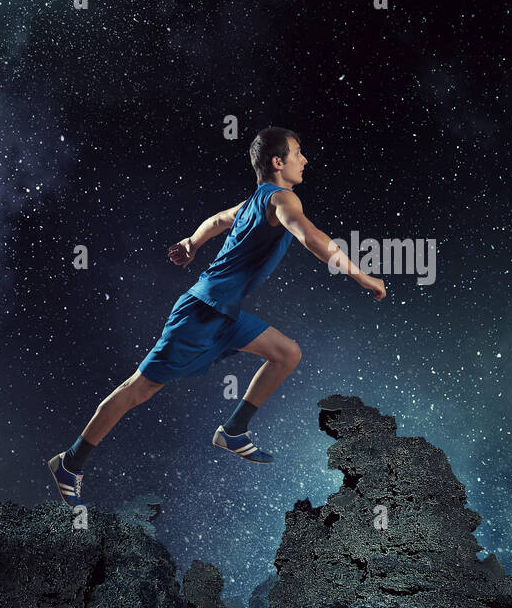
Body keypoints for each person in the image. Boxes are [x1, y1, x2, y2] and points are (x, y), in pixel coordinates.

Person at [48, 127, 386, 506]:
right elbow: (311, 237)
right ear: (278, 163)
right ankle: (70, 463)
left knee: (287, 353)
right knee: (139, 389)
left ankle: (234, 431)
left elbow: (218, 220)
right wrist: (362, 276)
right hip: (200, 312)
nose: (304, 160)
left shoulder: (253, 202)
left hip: (225, 313)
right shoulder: (285, 200)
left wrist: (192, 243)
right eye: (298, 153)